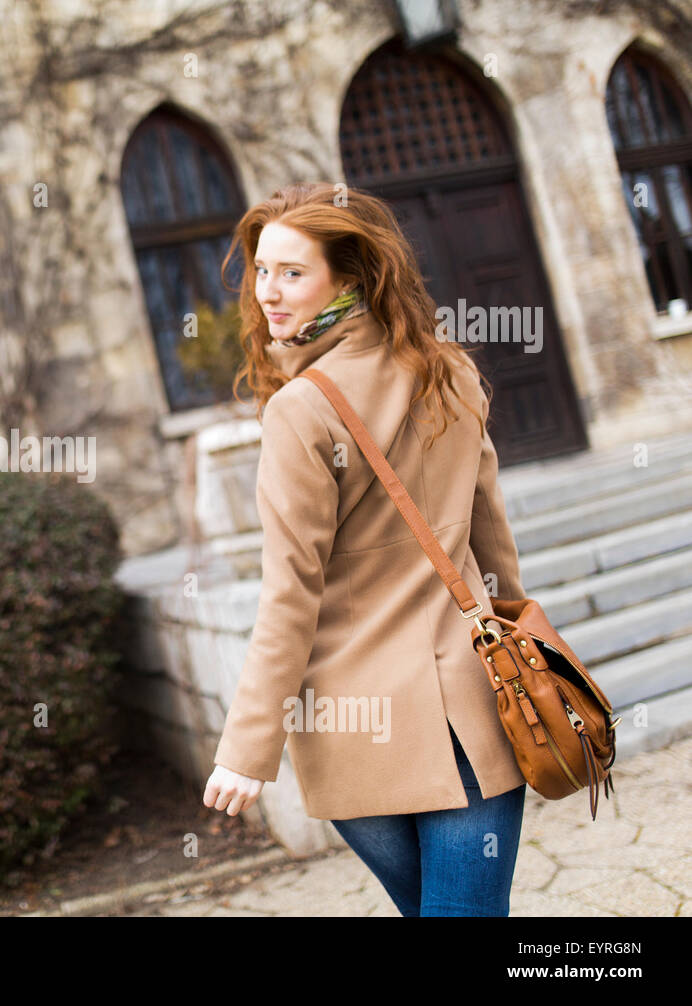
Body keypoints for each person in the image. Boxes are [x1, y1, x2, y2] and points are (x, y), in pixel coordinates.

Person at [201, 182, 528, 917]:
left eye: (293, 273)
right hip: (468, 714)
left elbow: (290, 591)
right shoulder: (450, 370)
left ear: (348, 278)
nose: (269, 293)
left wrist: (245, 749)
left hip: (356, 729)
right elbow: (493, 544)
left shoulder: (300, 410)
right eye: (261, 270)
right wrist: (517, 652)